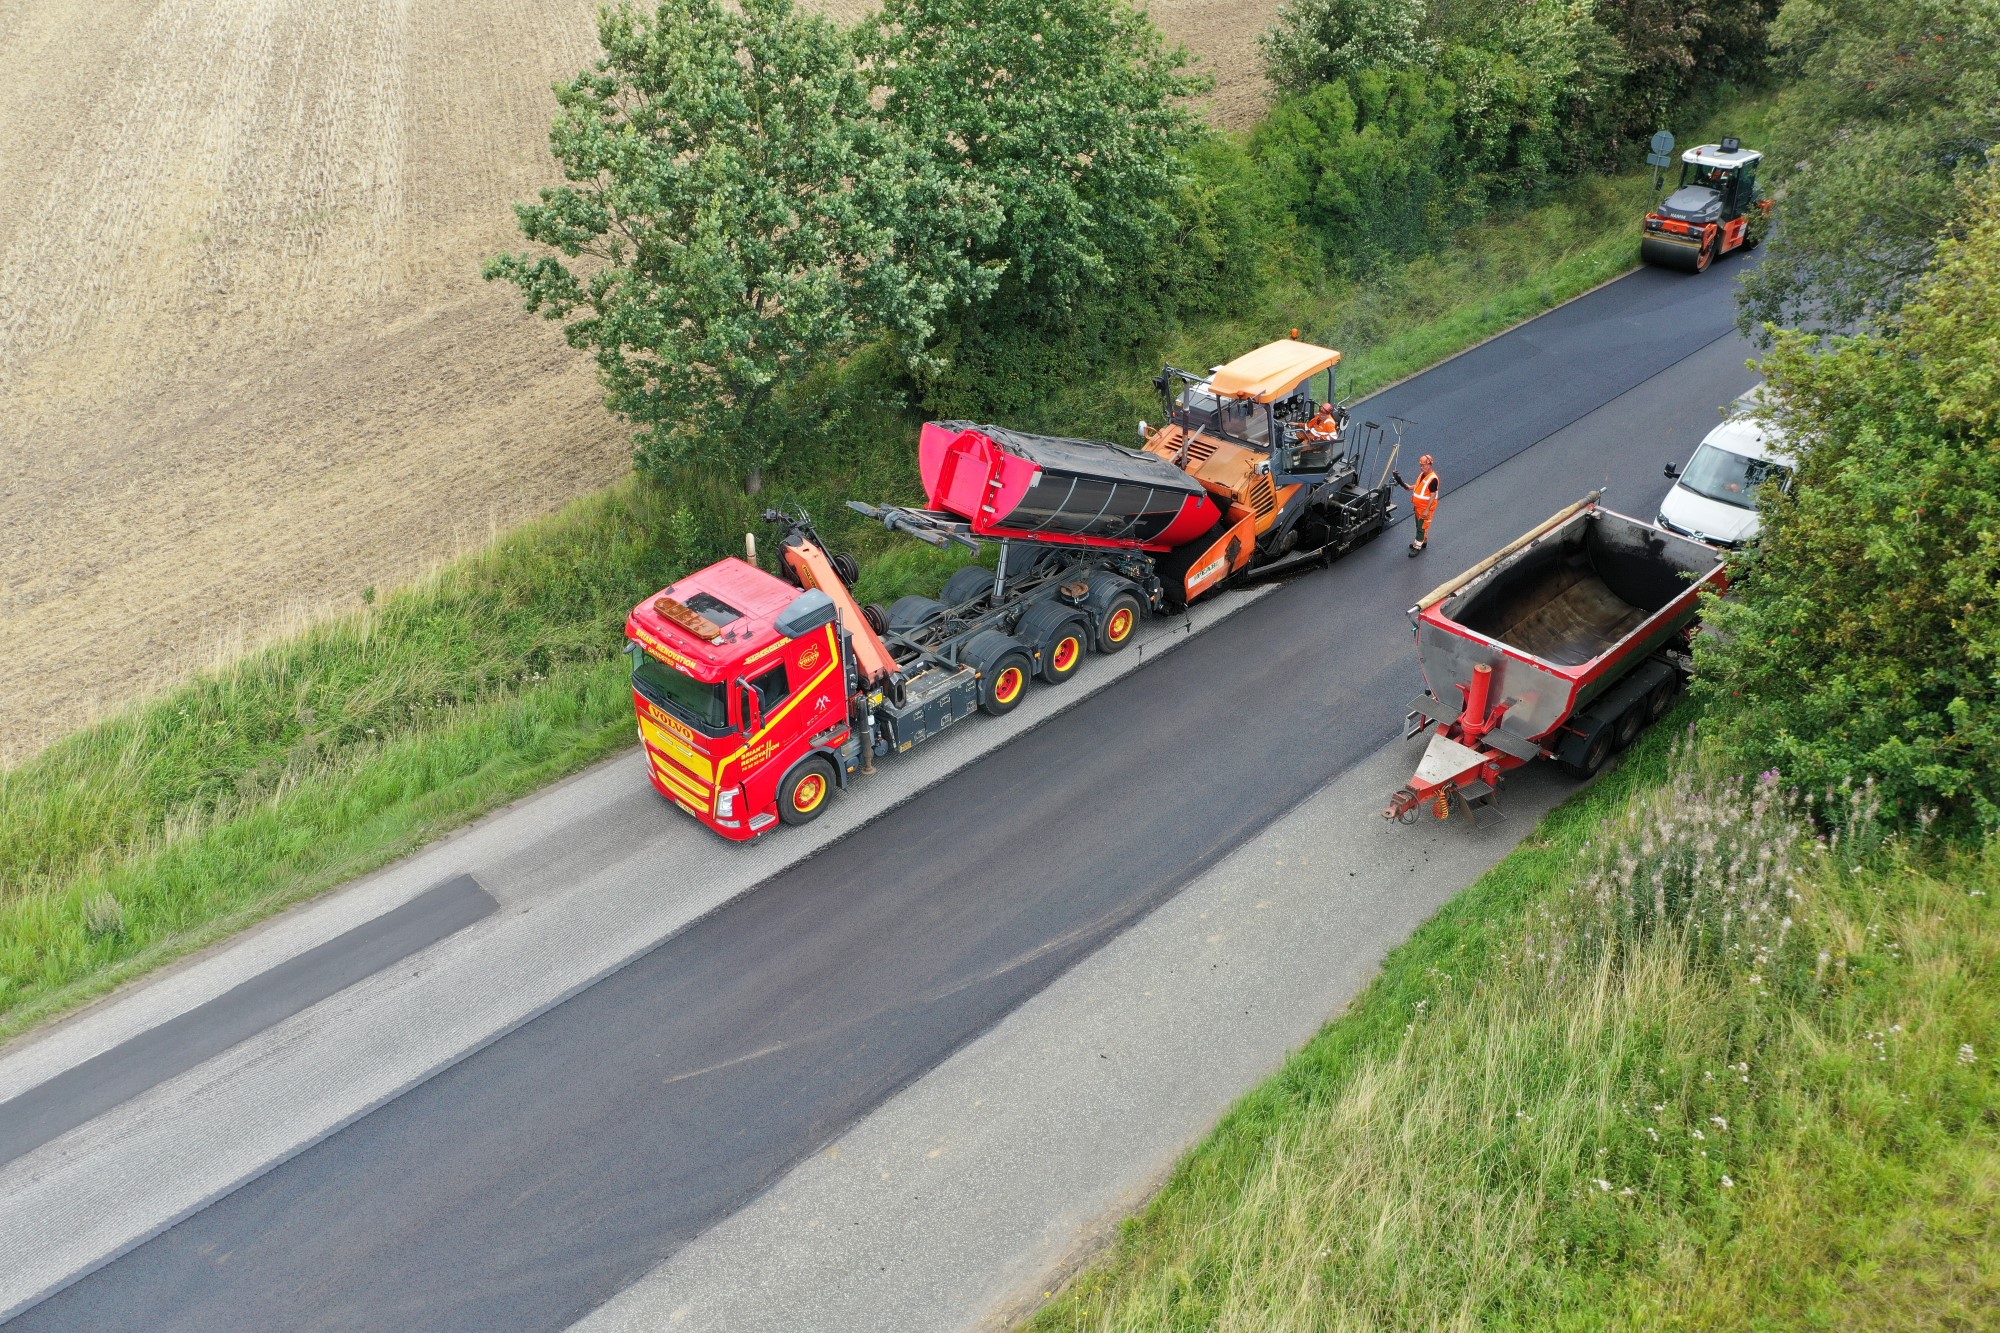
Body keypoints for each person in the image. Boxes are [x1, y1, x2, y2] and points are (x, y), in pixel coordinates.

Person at [1392, 454, 1440, 555]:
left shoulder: (1433, 479)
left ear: (1429, 465)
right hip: (1419, 507)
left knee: (1421, 528)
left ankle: (1417, 547)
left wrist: (1427, 510)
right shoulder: (1422, 475)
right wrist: (1408, 486)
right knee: (1420, 526)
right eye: (1421, 465)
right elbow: (1419, 487)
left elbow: (1432, 495)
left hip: (1425, 508)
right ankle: (1423, 542)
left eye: (1423, 465)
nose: (1421, 467)